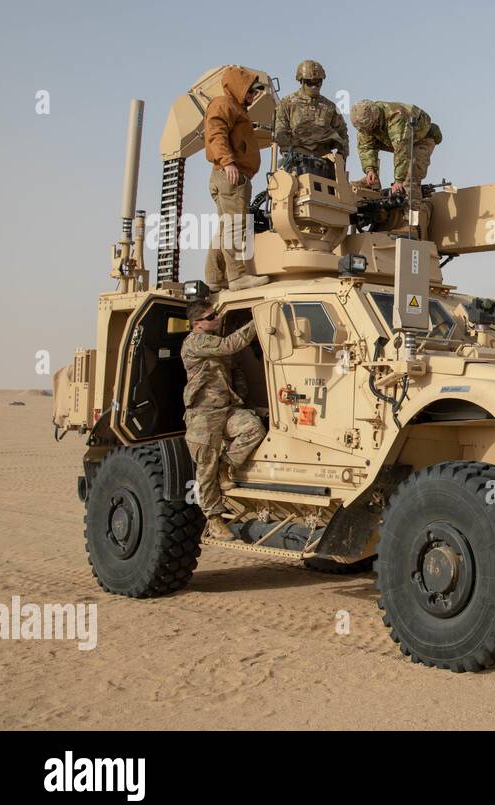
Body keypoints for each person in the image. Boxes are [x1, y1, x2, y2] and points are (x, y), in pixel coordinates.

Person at [182, 300, 265, 540]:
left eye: (216, 315)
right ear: (197, 324)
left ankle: (226, 467)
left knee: (253, 428)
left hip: (224, 410)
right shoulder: (196, 342)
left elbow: (233, 368)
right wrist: (259, 318)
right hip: (203, 415)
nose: (216, 318)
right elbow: (230, 344)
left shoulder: (213, 342)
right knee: (205, 468)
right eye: (210, 317)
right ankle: (214, 519)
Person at [204, 66, 269, 291]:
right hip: (230, 174)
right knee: (236, 227)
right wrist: (228, 161)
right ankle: (237, 277)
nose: (253, 96)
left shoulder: (235, 107)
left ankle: (215, 277)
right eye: (251, 91)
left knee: (227, 227)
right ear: (240, 88)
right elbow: (215, 132)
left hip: (227, 174)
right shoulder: (224, 104)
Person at [350, 99, 442, 236]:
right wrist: (370, 170)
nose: (370, 131)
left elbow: (402, 151)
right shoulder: (364, 123)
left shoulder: (396, 116)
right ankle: (374, 187)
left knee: (409, 179)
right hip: (394, 139)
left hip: (421, 139)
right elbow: (366, 147)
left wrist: (398, 181)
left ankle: (412, 226)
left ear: (377, 117)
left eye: (372, 127)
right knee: (375, 170)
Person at [273, 59, 349, 159]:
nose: (314, 86)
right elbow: (280, 132)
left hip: (324, 160)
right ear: (301, 81)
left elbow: (343, 133)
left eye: (318, 82)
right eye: (310, 82)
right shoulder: (287, 104)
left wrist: (341, 155)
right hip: (296, 158)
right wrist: (291, 150)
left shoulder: (330, 107)